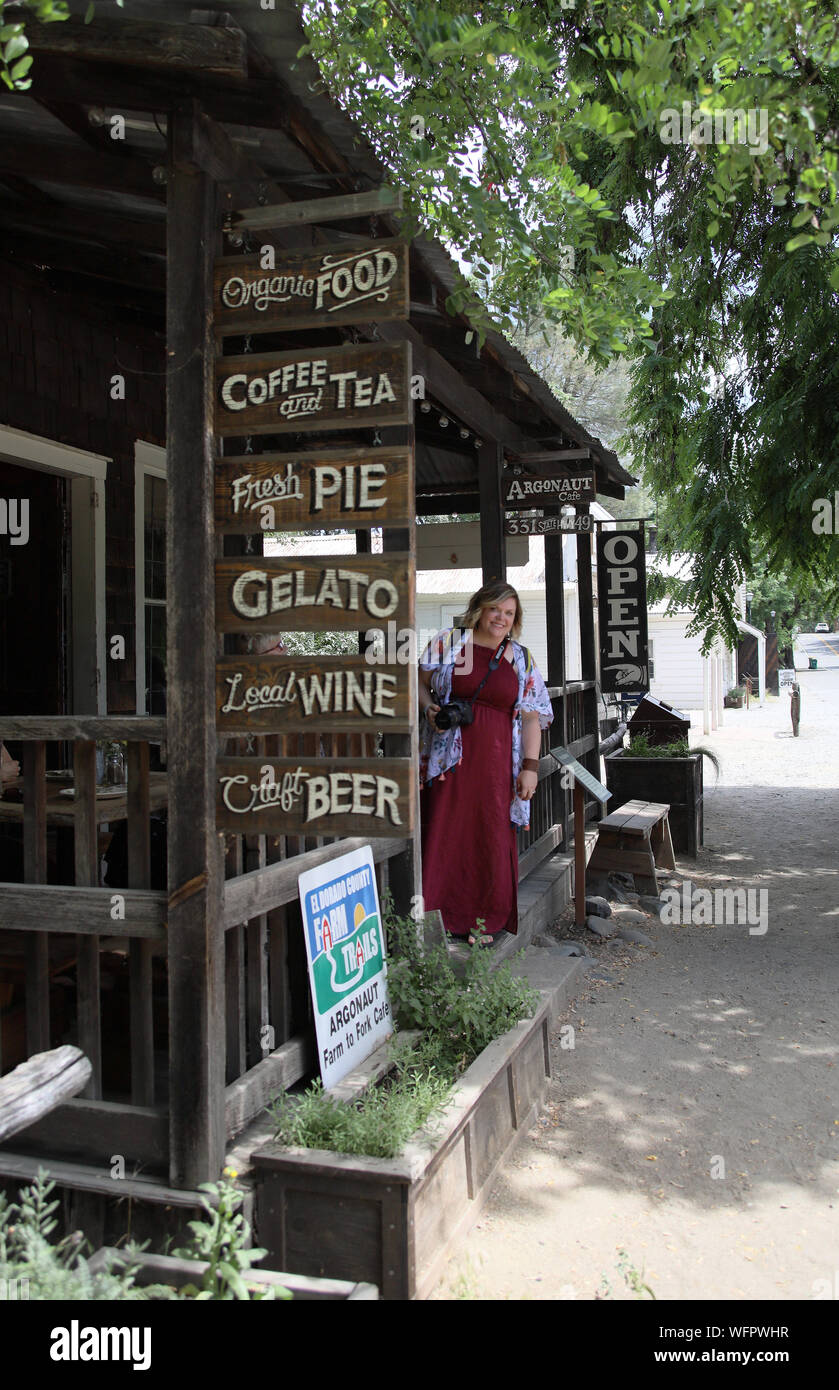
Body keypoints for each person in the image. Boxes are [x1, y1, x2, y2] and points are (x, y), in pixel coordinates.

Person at [418, 581, 553, 946]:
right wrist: (429, 707)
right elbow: (418, 680)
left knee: (489, 834)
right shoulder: (452, 642)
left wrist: (530, 767)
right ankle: (436, 918)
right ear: (480, 608)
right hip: (452, 756)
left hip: (498, 764)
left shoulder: (520, 657)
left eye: (510, 613)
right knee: (446, 830)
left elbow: (531, 717)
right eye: (496, 610)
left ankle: (482, 923)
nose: (502, 618)